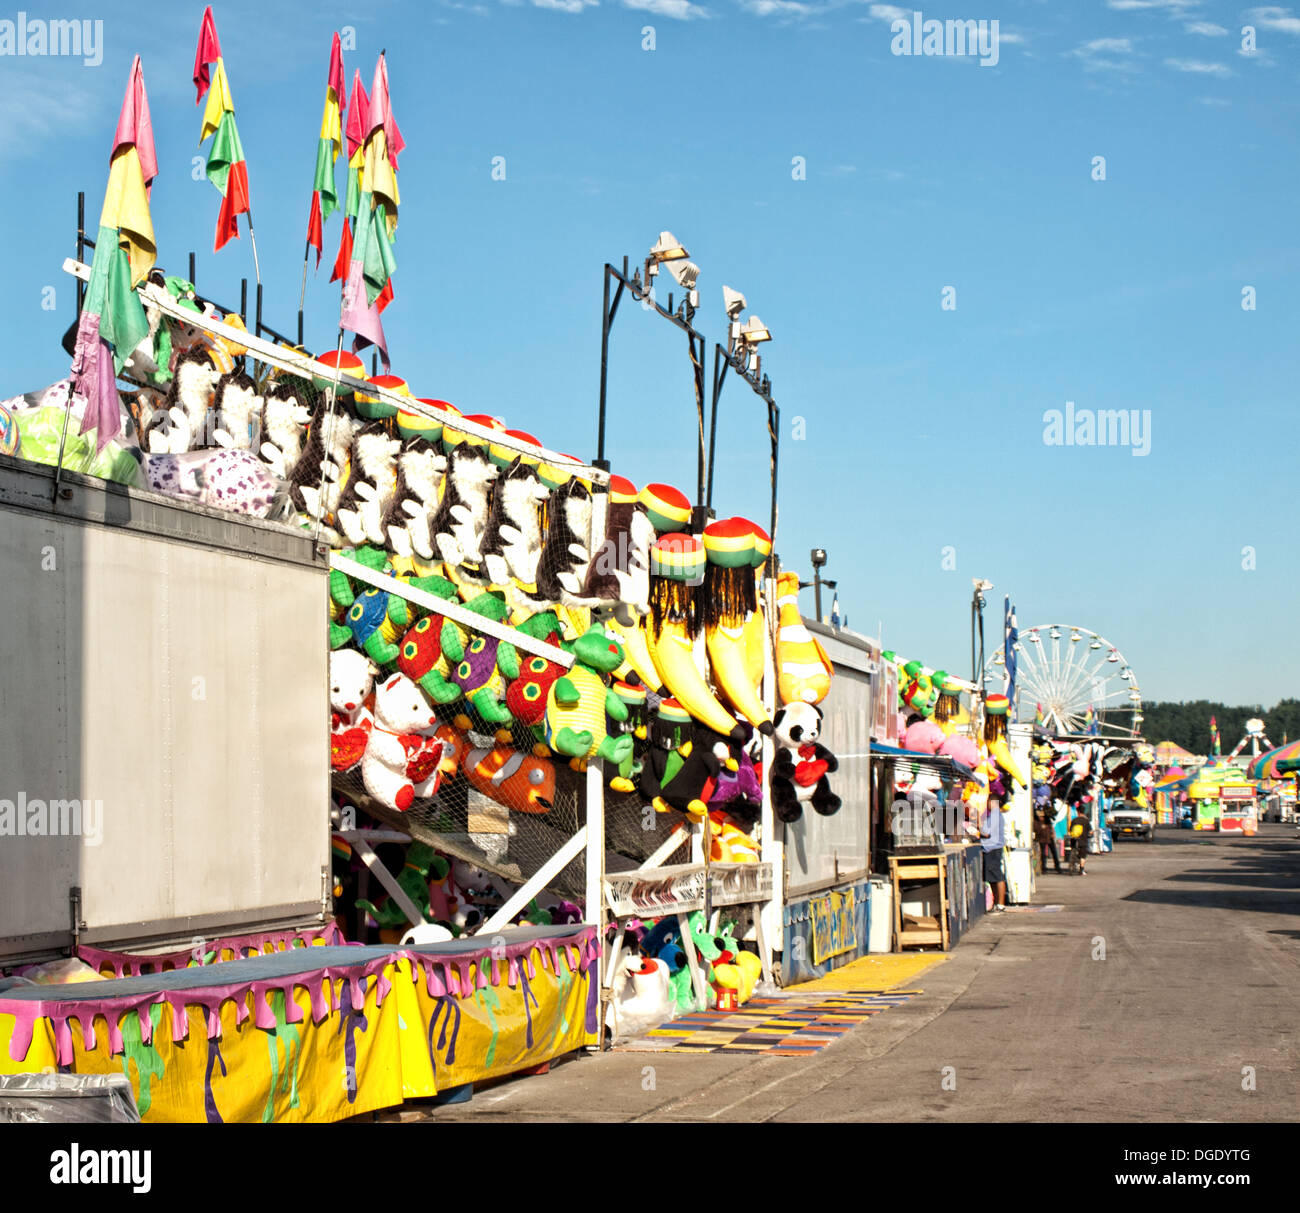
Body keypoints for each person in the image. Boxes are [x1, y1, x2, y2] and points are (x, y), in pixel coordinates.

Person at [980, 798, 1009, 911]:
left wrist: (978, 824)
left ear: (991, 802)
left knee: (997, 876)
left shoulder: (995, 815)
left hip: (992, 848)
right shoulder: (997, 815)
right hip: (993, 848)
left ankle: (1000, 903)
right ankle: (996, 903)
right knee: (992, 877)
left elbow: (986, 832)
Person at [1067, 802, 1093, 874]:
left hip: (1074, 839)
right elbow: (1090, 831)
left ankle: (1072, 864)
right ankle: (1081, 870)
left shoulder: (1074, 820)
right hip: (1083, 840)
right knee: (1083, 856)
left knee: (1073, 850)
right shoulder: (1086, 821)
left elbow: (1070, 829)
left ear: (1077, 811)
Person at [1035, 805, 1062, 873]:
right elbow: (1036, 830)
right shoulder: (1036, 822)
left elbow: (1051, 827)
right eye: (1040, 816)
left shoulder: (1047, 820)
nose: (1041, 817)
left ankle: (1057, 867)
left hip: (1049, 837)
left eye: (1042, 816)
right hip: (1041, 838)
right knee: (1043, 854)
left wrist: (1053, 833)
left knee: (1054, 852)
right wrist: (1041, 828)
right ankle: (1044, 868)